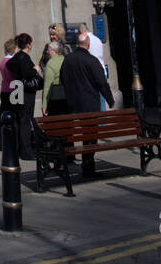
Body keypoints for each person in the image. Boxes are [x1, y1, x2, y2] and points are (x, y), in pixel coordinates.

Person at [60, 33, 115, 176]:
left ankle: (85, 163)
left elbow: (62, 79)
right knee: (90, 137)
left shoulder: (67, 60)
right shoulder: (91, 60)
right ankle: (88, 166)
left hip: (72, 103)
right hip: (89, 104)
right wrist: (110, 99)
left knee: (82, 134)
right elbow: (101, 82)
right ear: (88, 45)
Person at [5, 33, 43, 159]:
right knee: (26, 120)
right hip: (26, 93)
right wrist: (35, 70)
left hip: (17, 90)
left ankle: (21, 149)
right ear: (28, 44)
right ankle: (26, 151)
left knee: (20, 120)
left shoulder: (17, 56)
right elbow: (28, 73)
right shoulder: (25, 57)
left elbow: (9, 65)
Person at [0, 38, 18, 150]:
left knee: (3, 118)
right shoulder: (11, 61)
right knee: (14, 118)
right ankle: (12, 142)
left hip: (4, 91)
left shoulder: (3, 61)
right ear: (14, 49)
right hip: (13, 91)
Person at [42, 40, 69, 115]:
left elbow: (47, 86)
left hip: (55, 98)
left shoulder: (50, 64)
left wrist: (44, 105)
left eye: (48, 50)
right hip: (67, 97)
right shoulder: (66, 59)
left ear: (52, 51)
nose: (47, 52)